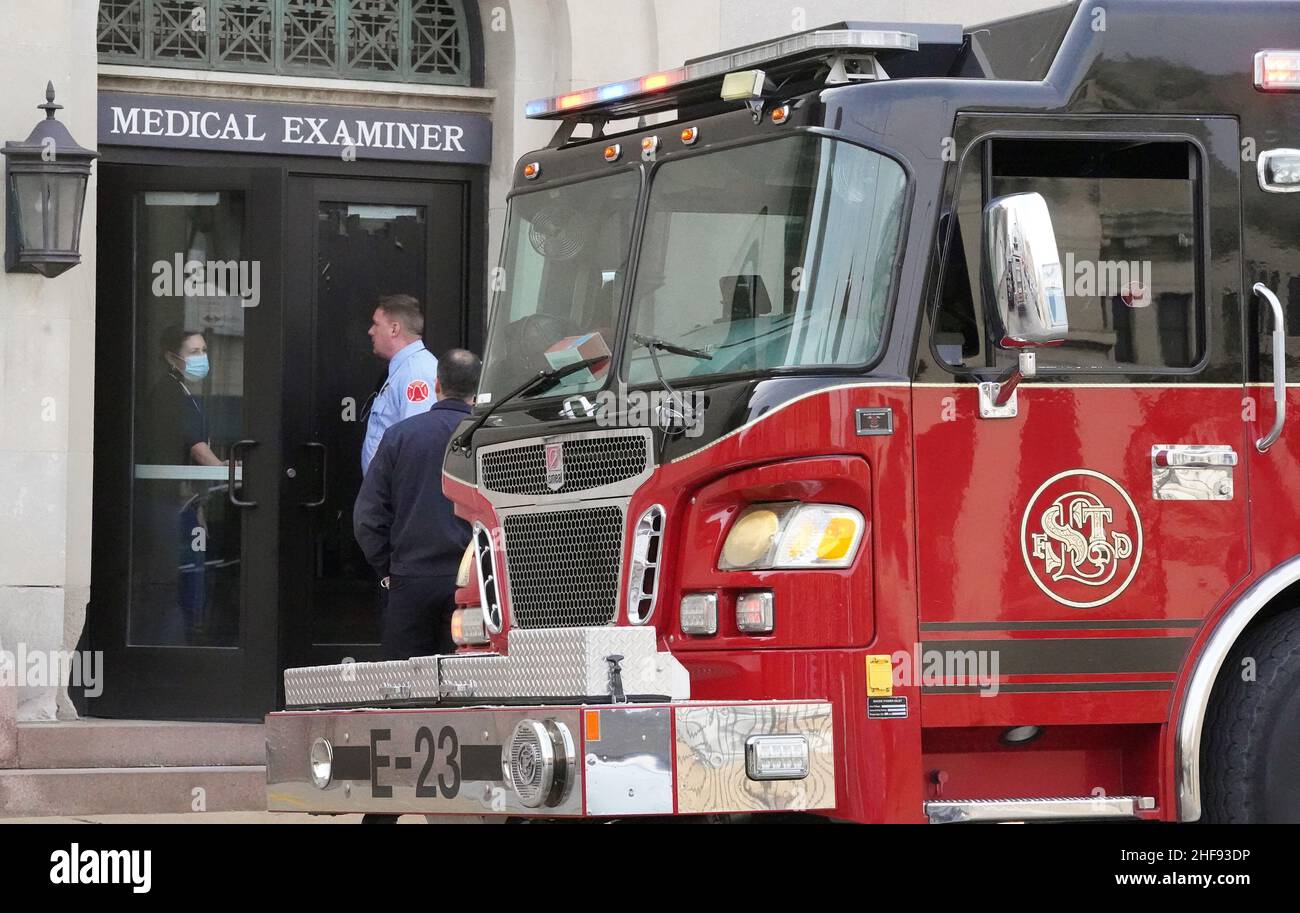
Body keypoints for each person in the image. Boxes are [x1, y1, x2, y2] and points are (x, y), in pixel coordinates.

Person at [354, 349, 480, 660]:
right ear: (477, 392)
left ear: (437, 384)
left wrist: (388, 568)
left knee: (404, 691)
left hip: (410, 581)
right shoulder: (487, 439)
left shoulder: (399, 436)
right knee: (471, 686)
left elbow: (367, 517)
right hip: (472, 586)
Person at [137, 328, 227, 643]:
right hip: (165, 503)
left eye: (204, 350)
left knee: (191, 572)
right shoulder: (169, 393)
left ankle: (186, 636)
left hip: (183, 502)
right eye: (194, 352)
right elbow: (195, 445)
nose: (202, 358)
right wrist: (221, 469)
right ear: (172, 357)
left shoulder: (186, 392)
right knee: (176, 575)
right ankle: (175, 644)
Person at [360, 294, 440, 475]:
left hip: (398, 495)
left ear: (394, 329)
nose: (371, 331)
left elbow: (419, 443)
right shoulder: (403, 368)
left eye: (376, 324)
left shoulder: (415, 372)